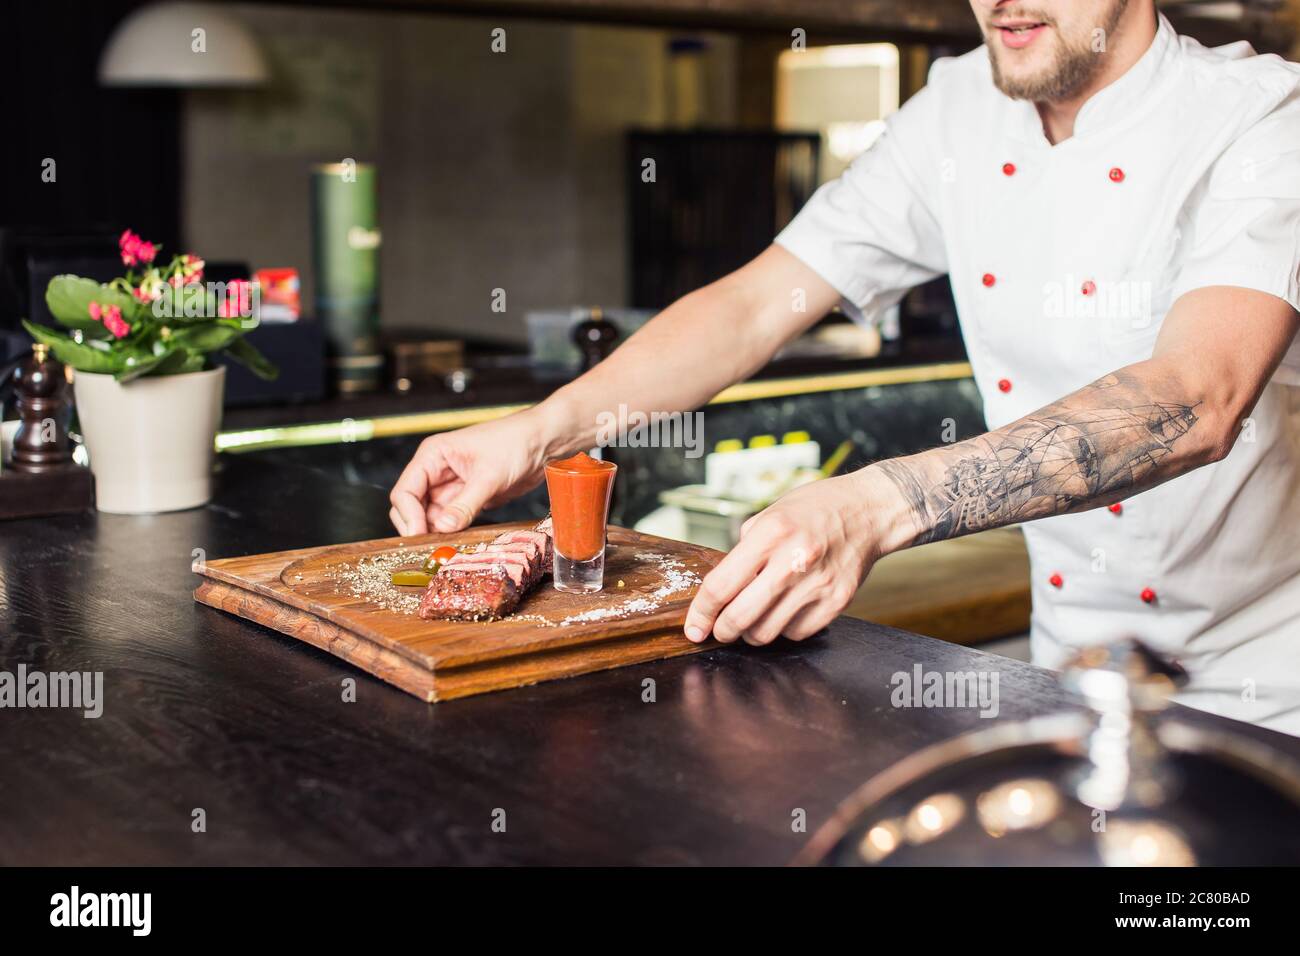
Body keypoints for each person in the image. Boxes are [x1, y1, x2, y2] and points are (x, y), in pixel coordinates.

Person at [391, 1, 1300, 733]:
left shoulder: (1260, 116)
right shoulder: (957, 112)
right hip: (1067, 684)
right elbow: (756, 304)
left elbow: (1195, 397)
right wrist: (539, 430)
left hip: (1260, 696)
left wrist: (874, 505)